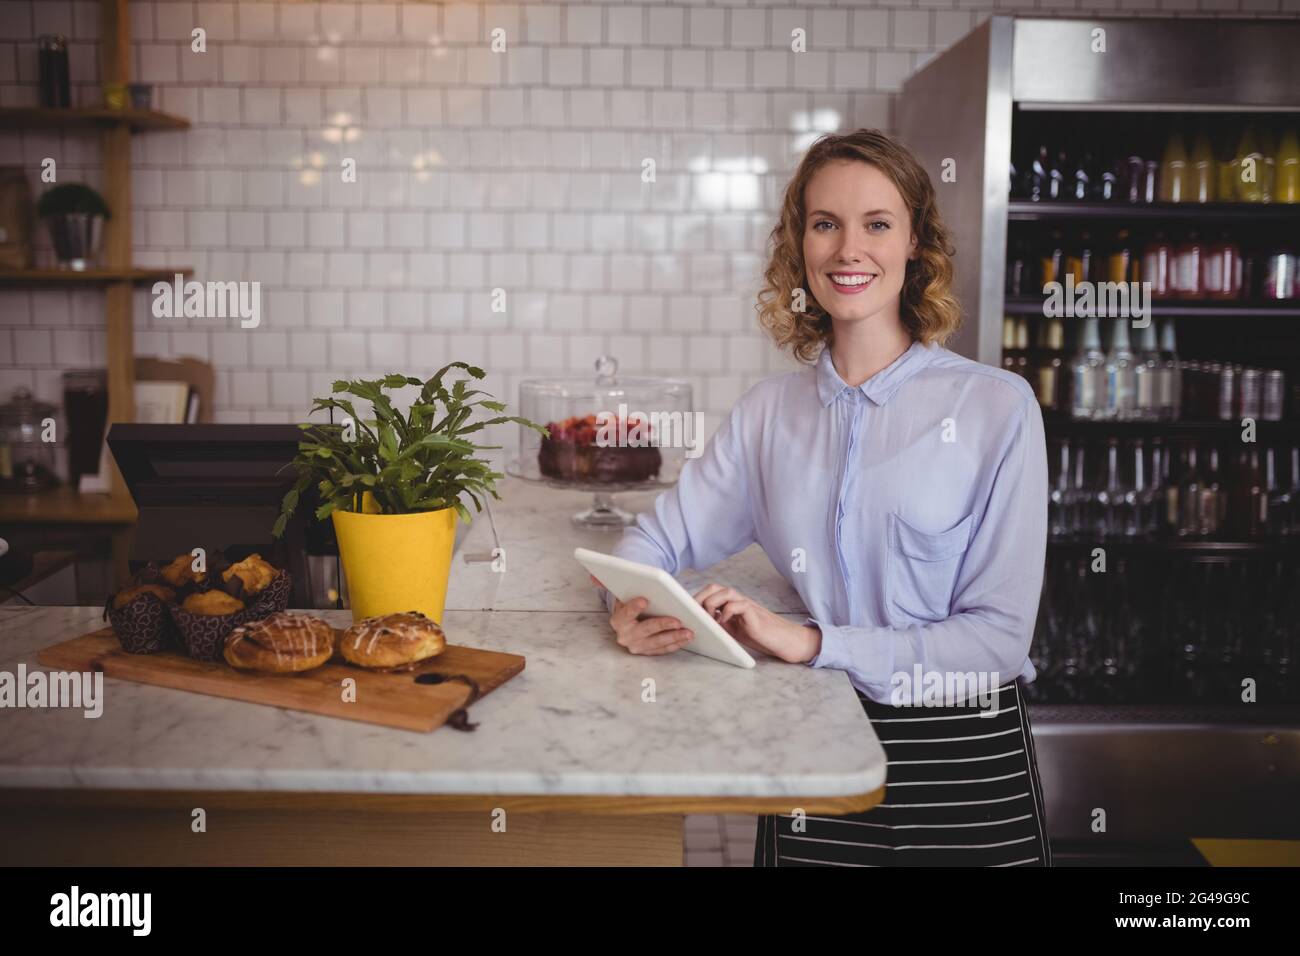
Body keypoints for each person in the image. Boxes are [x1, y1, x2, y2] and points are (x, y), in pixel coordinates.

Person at [591, 129, 1050, 867]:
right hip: (813, 737)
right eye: (824, 223)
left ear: (915, 246)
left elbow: (998, 639)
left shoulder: (997, 408)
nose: (848, 250)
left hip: (961, 754)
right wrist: (635, 609)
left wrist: (812, 642)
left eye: (877, 224)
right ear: (799, 246)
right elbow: (651, 544)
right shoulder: (768, 414)